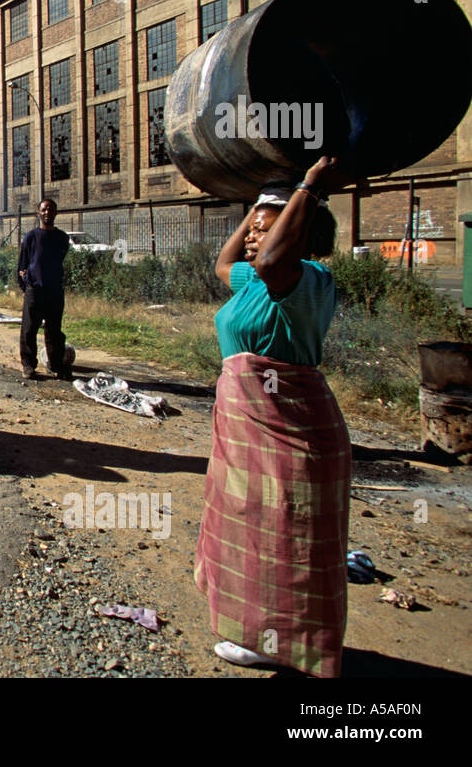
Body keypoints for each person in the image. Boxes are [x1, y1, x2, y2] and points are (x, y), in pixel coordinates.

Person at [194, 155, 352, 677]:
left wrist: (308, 188)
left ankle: (278, 641)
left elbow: (271, 261)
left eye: (265, 231)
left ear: (299, 232)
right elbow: (223, 264)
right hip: (251, 430)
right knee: (250, 524)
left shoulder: (303, 280)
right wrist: (260, 203)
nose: (253, 239)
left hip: (289, 430)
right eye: (253, 230)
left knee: (283, 534)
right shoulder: (256, 283)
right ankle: (256, 630)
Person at [17, 198, 71, 380]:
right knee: (29, 329)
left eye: (51, 209)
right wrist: (24, 287)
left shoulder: (62, 238)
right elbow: (22, 264)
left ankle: (56, 365)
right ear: (38, 213)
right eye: (44, 209)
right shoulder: (31, 237)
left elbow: (60, 259)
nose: (47, 212)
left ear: (56, 213)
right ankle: (28, 365)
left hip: (55, 290)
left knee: (54, 330)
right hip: (35, 289)